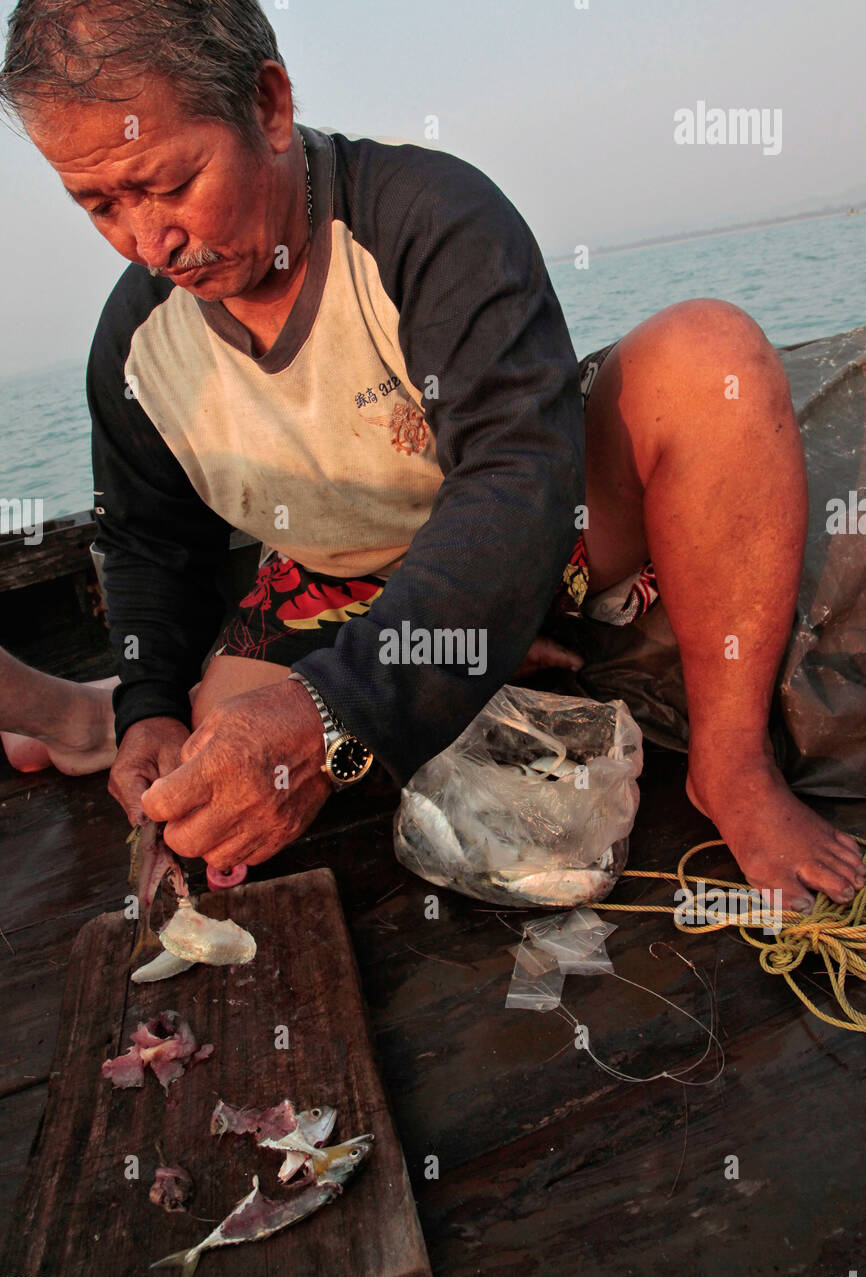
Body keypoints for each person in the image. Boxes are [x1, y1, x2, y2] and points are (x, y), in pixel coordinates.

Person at [1, 0, 862, 913]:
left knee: (711, 358)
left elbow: (514, 481)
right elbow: (149, 547)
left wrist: (336, 713)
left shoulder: (429, 217)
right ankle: (105, 718)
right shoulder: (135, 344)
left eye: (170, 185)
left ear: (269, 103)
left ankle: (731, 773)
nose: (148, 242)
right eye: (99, 204)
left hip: (547, 539)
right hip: (343, 592)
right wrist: (151, 713)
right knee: (207, 763)